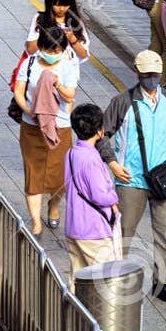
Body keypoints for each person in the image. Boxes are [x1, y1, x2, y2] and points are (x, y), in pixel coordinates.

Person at [100, 49, 166, 300]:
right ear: (137, 73)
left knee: (165, 234)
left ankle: (163, 282)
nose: (151, 79)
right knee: (124, 231)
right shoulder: (122, 102)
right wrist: (112, 163)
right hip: (130, 179)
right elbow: (101, 135)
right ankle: (116, 277)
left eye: (155, 74)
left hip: (164, 177)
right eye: (147, 75)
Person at [13, 26, 78, 236]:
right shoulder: (29, 63)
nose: (51, 55)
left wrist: (57, 83)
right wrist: (29, 111)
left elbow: (69, 96)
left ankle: (54, 206)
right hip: (32, 126)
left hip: (60, 125)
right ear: (40, 47)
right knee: (33, 172)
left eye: (56, 50)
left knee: (59, 174)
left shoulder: (69, 66)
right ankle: (35, 222)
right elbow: (19, 91)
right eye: (48, 50)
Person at [64, 102, 122, 273]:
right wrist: (114, 196)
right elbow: (100, 196)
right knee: (106, 279)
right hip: (93, 230)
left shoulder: (71, 153)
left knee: (78, 280)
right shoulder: (92, 159)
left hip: (73, 225)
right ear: (99, 131)